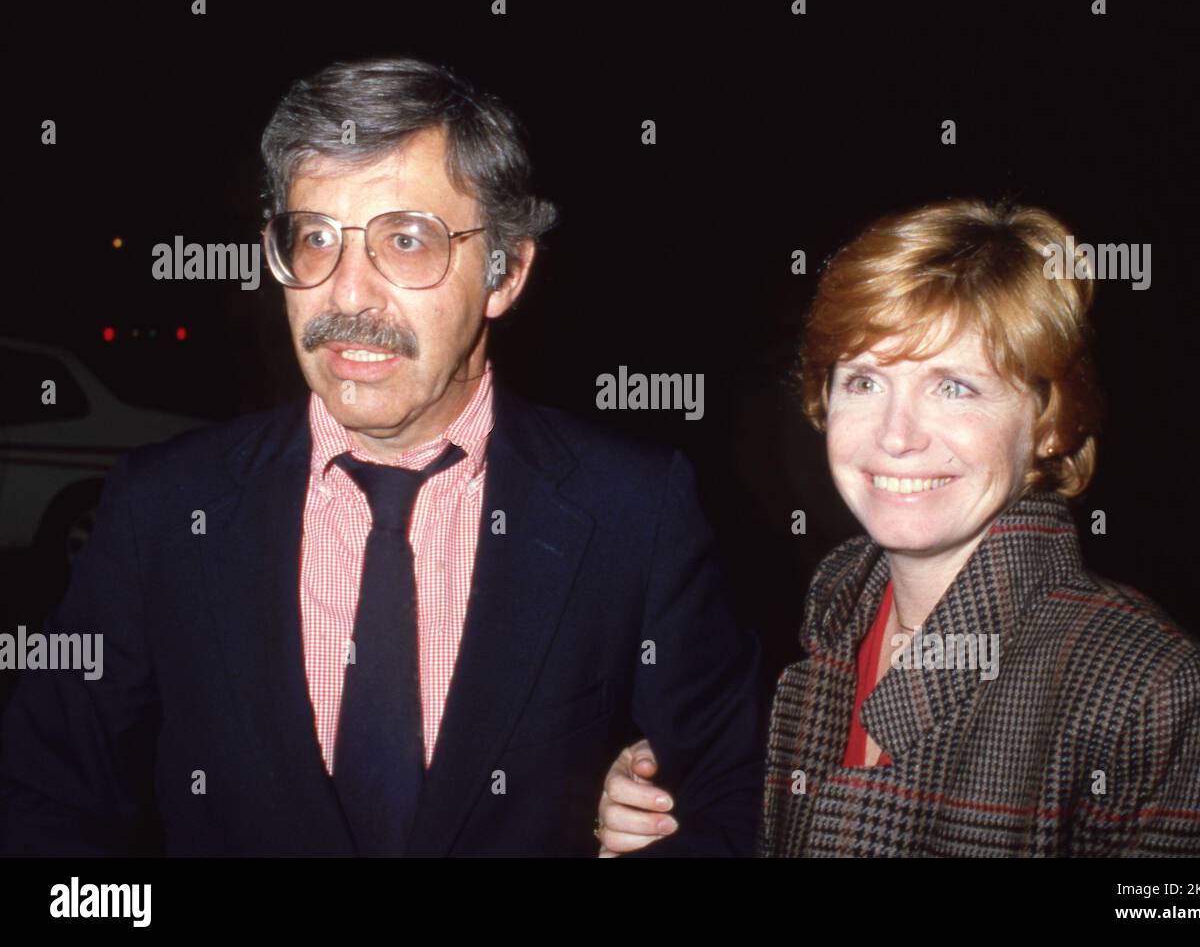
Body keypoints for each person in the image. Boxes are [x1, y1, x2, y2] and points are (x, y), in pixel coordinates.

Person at [0, 57, 763, 857]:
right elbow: (45, 794)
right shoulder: (162, 507)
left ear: (506, 272)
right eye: (316, 238)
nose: (348, 294)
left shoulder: (634, 510)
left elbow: (729, 795)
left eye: (405, 239)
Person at [595, 198, 1200, 857]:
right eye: (863, 381)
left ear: (1050, 421)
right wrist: (680, 814)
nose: (895, 435)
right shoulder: (822, 632)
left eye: (954, 385)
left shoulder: (1165, 699)